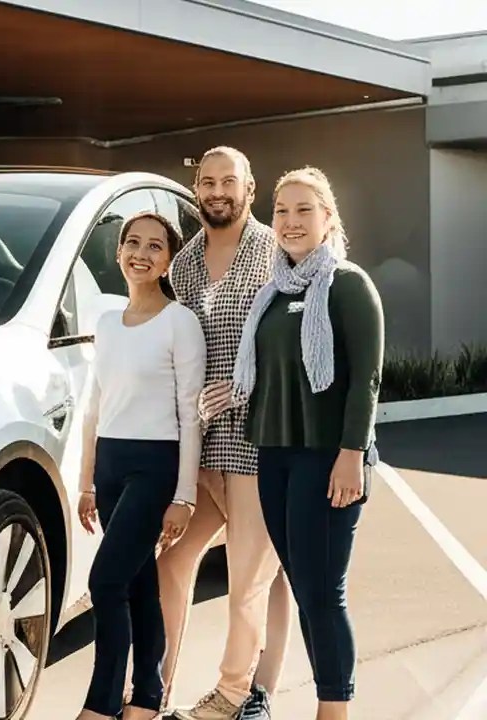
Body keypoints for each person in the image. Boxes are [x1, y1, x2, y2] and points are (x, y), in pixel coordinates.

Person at [231, 166, 382, 720]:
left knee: (322, 593)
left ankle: (334, 709)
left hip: (329, 457)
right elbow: (266, 374)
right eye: (281, 211)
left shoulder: (348, 285)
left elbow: (366, 378)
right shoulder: (271, 293)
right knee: (304, 587)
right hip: (274, 457)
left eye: (303, 210)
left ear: (328, 219)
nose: (290, 221)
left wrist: (352, 455)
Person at [160, 146, 294, 720]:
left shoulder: (275, 251)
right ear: (197, 189)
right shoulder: (183, 264)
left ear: (249, 188)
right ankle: (153, 687)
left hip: (258, 441)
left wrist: (245, 385)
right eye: (207, 181)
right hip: (202, 445)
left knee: (251, 578)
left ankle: (238, 694)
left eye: (228, 181)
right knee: (171, 561)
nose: (217, 191)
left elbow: (294, 339)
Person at [75, 212, 205, 720]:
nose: (141, 253)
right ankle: (147, 697)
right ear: (119, 253)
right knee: (137, 583)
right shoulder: (108, 323)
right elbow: (94, 405)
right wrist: (86, 482)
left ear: (168, 260)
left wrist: (184, 495)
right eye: (132, 243)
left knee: (105, 583)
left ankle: (102, 704)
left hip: (154, 466)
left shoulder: (180, 322)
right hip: (110, 463)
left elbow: (191, 413)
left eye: (155, 246)